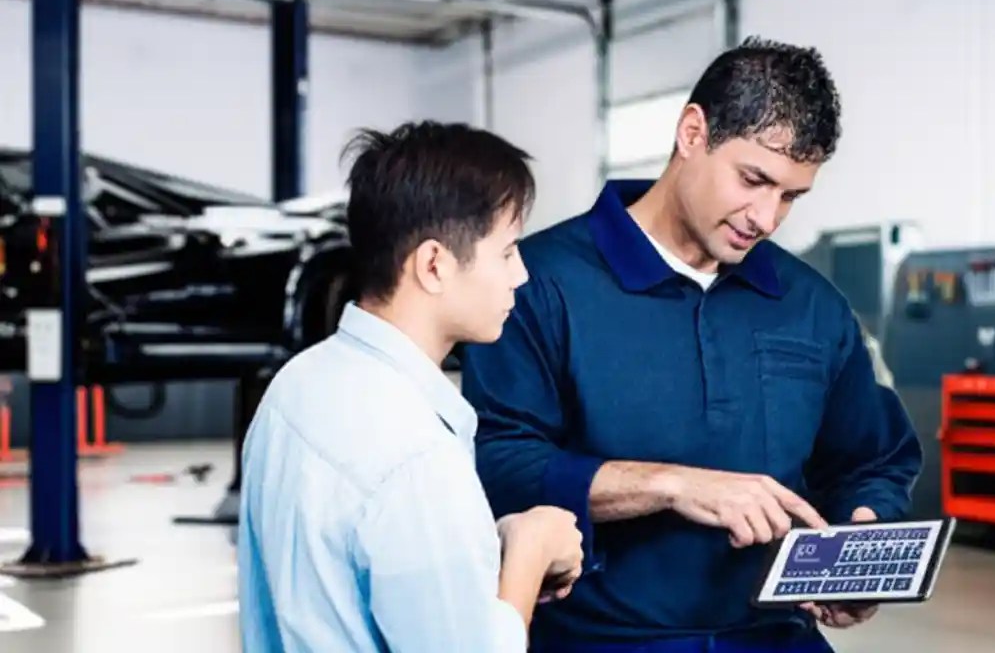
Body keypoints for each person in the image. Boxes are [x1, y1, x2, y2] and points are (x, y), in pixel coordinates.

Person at [460, 37, 924, 652]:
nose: (766, 217)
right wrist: (671, 485)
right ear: (691, 133)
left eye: (790, 195)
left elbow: (872, 460)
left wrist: (859, 537)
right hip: (600, 641)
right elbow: (498, 463)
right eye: (753, 179)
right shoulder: (539, 284)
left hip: (773, 638)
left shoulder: (811, 307)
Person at [237, 121, 586, 652]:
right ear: (433, 265)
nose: (522, 276)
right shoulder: (415, 454)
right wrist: (531, 553)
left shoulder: (297, 385)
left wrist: (487, 550)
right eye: (508, 251)